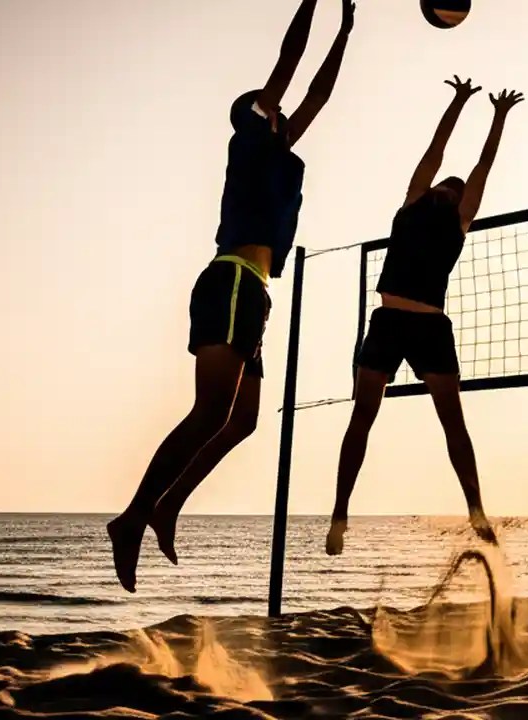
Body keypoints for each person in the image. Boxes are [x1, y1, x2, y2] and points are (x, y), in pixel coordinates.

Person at [107, 0, 357, 593]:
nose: (282, 110)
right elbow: (289, 62)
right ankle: (133, 517)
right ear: (253, 112)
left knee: (242, 421)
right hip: (230, 281)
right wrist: (317, 5)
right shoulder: (248, 135)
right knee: (210, 412)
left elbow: (318, 96)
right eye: (271, 104)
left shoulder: (278, 151)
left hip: (256, 293)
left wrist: (346, 32)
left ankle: (166, 508)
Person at [326, 76, 525, 556]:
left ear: (461, 202)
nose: (449, 183)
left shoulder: (458, 219)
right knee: (362, 417)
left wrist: (498, 117)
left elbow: (482, 165)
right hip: (389, 320)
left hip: (429, 326)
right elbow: (438, 148)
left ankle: (477, 510)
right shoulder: (413, 200)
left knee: (453, 424)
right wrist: (458, 103)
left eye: (456, 187)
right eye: (444, 180)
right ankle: (339, 512)